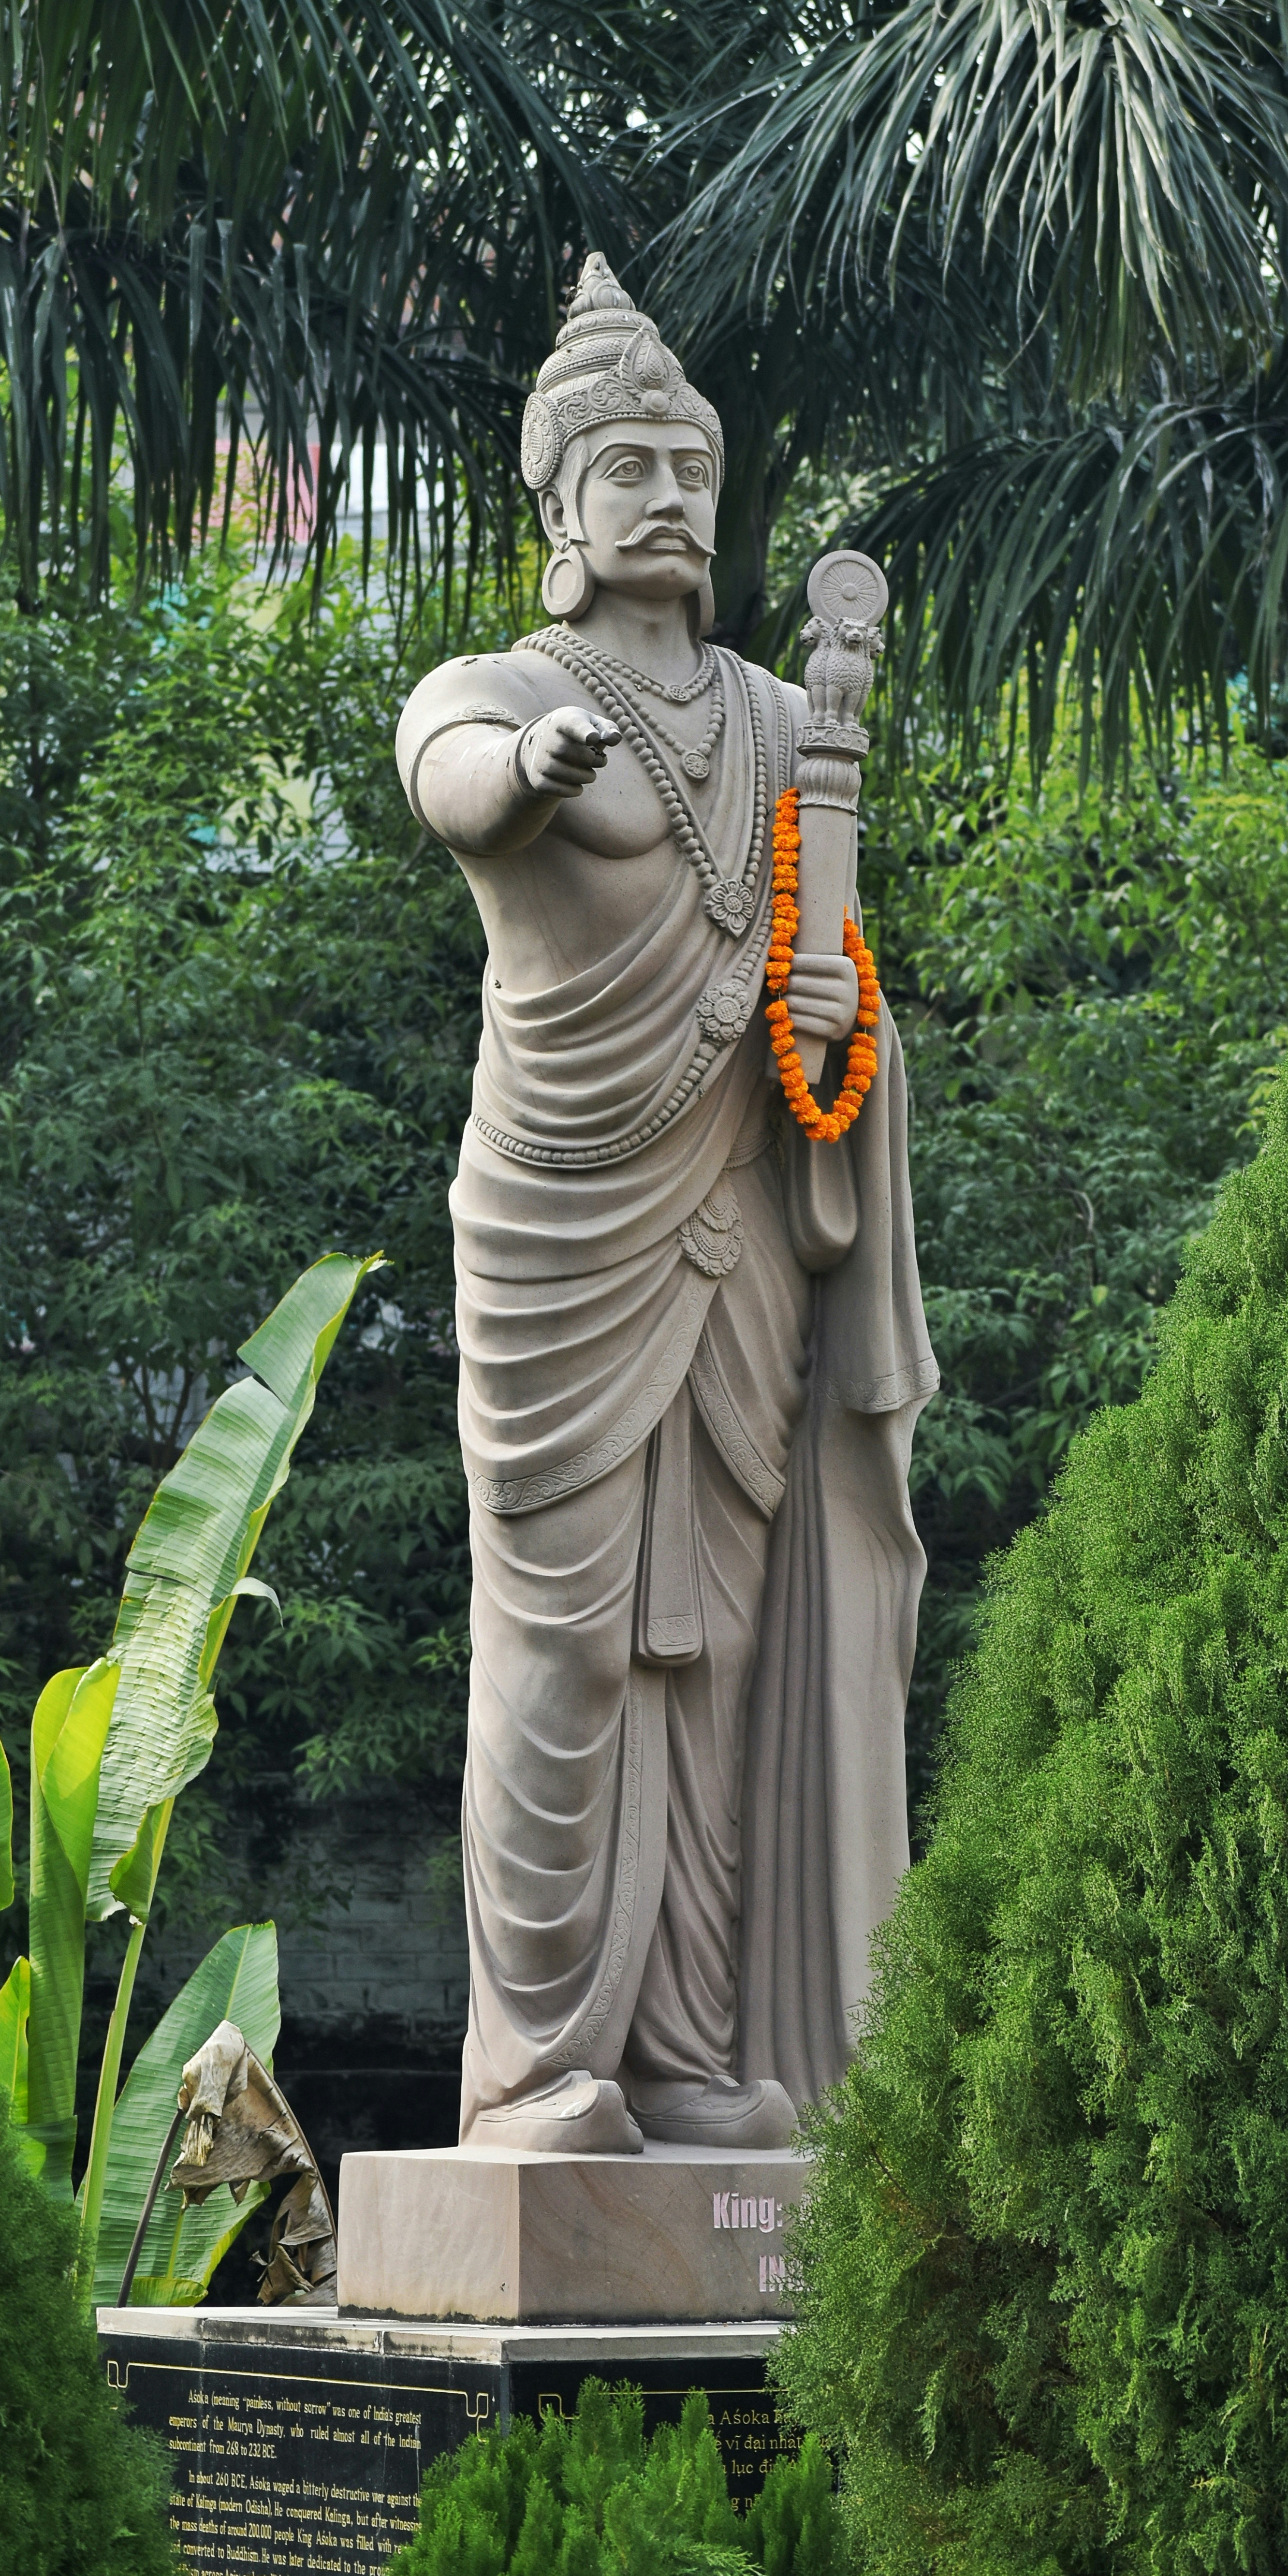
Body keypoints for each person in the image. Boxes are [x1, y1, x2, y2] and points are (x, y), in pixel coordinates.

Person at [396, 255, 936, 2154]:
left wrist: (842, 1024)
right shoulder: (503, 690)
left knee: (706, 1647)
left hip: (737, 1228)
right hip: (562, 1229)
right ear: (555, 505)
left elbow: (838, 989)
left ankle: (691, 2059)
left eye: (686, 465)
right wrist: (525, 776)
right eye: (622, 464)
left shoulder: (792, 725)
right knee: (562, 1643)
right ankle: (540, 2066)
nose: (665, 494)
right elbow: (450, 781)